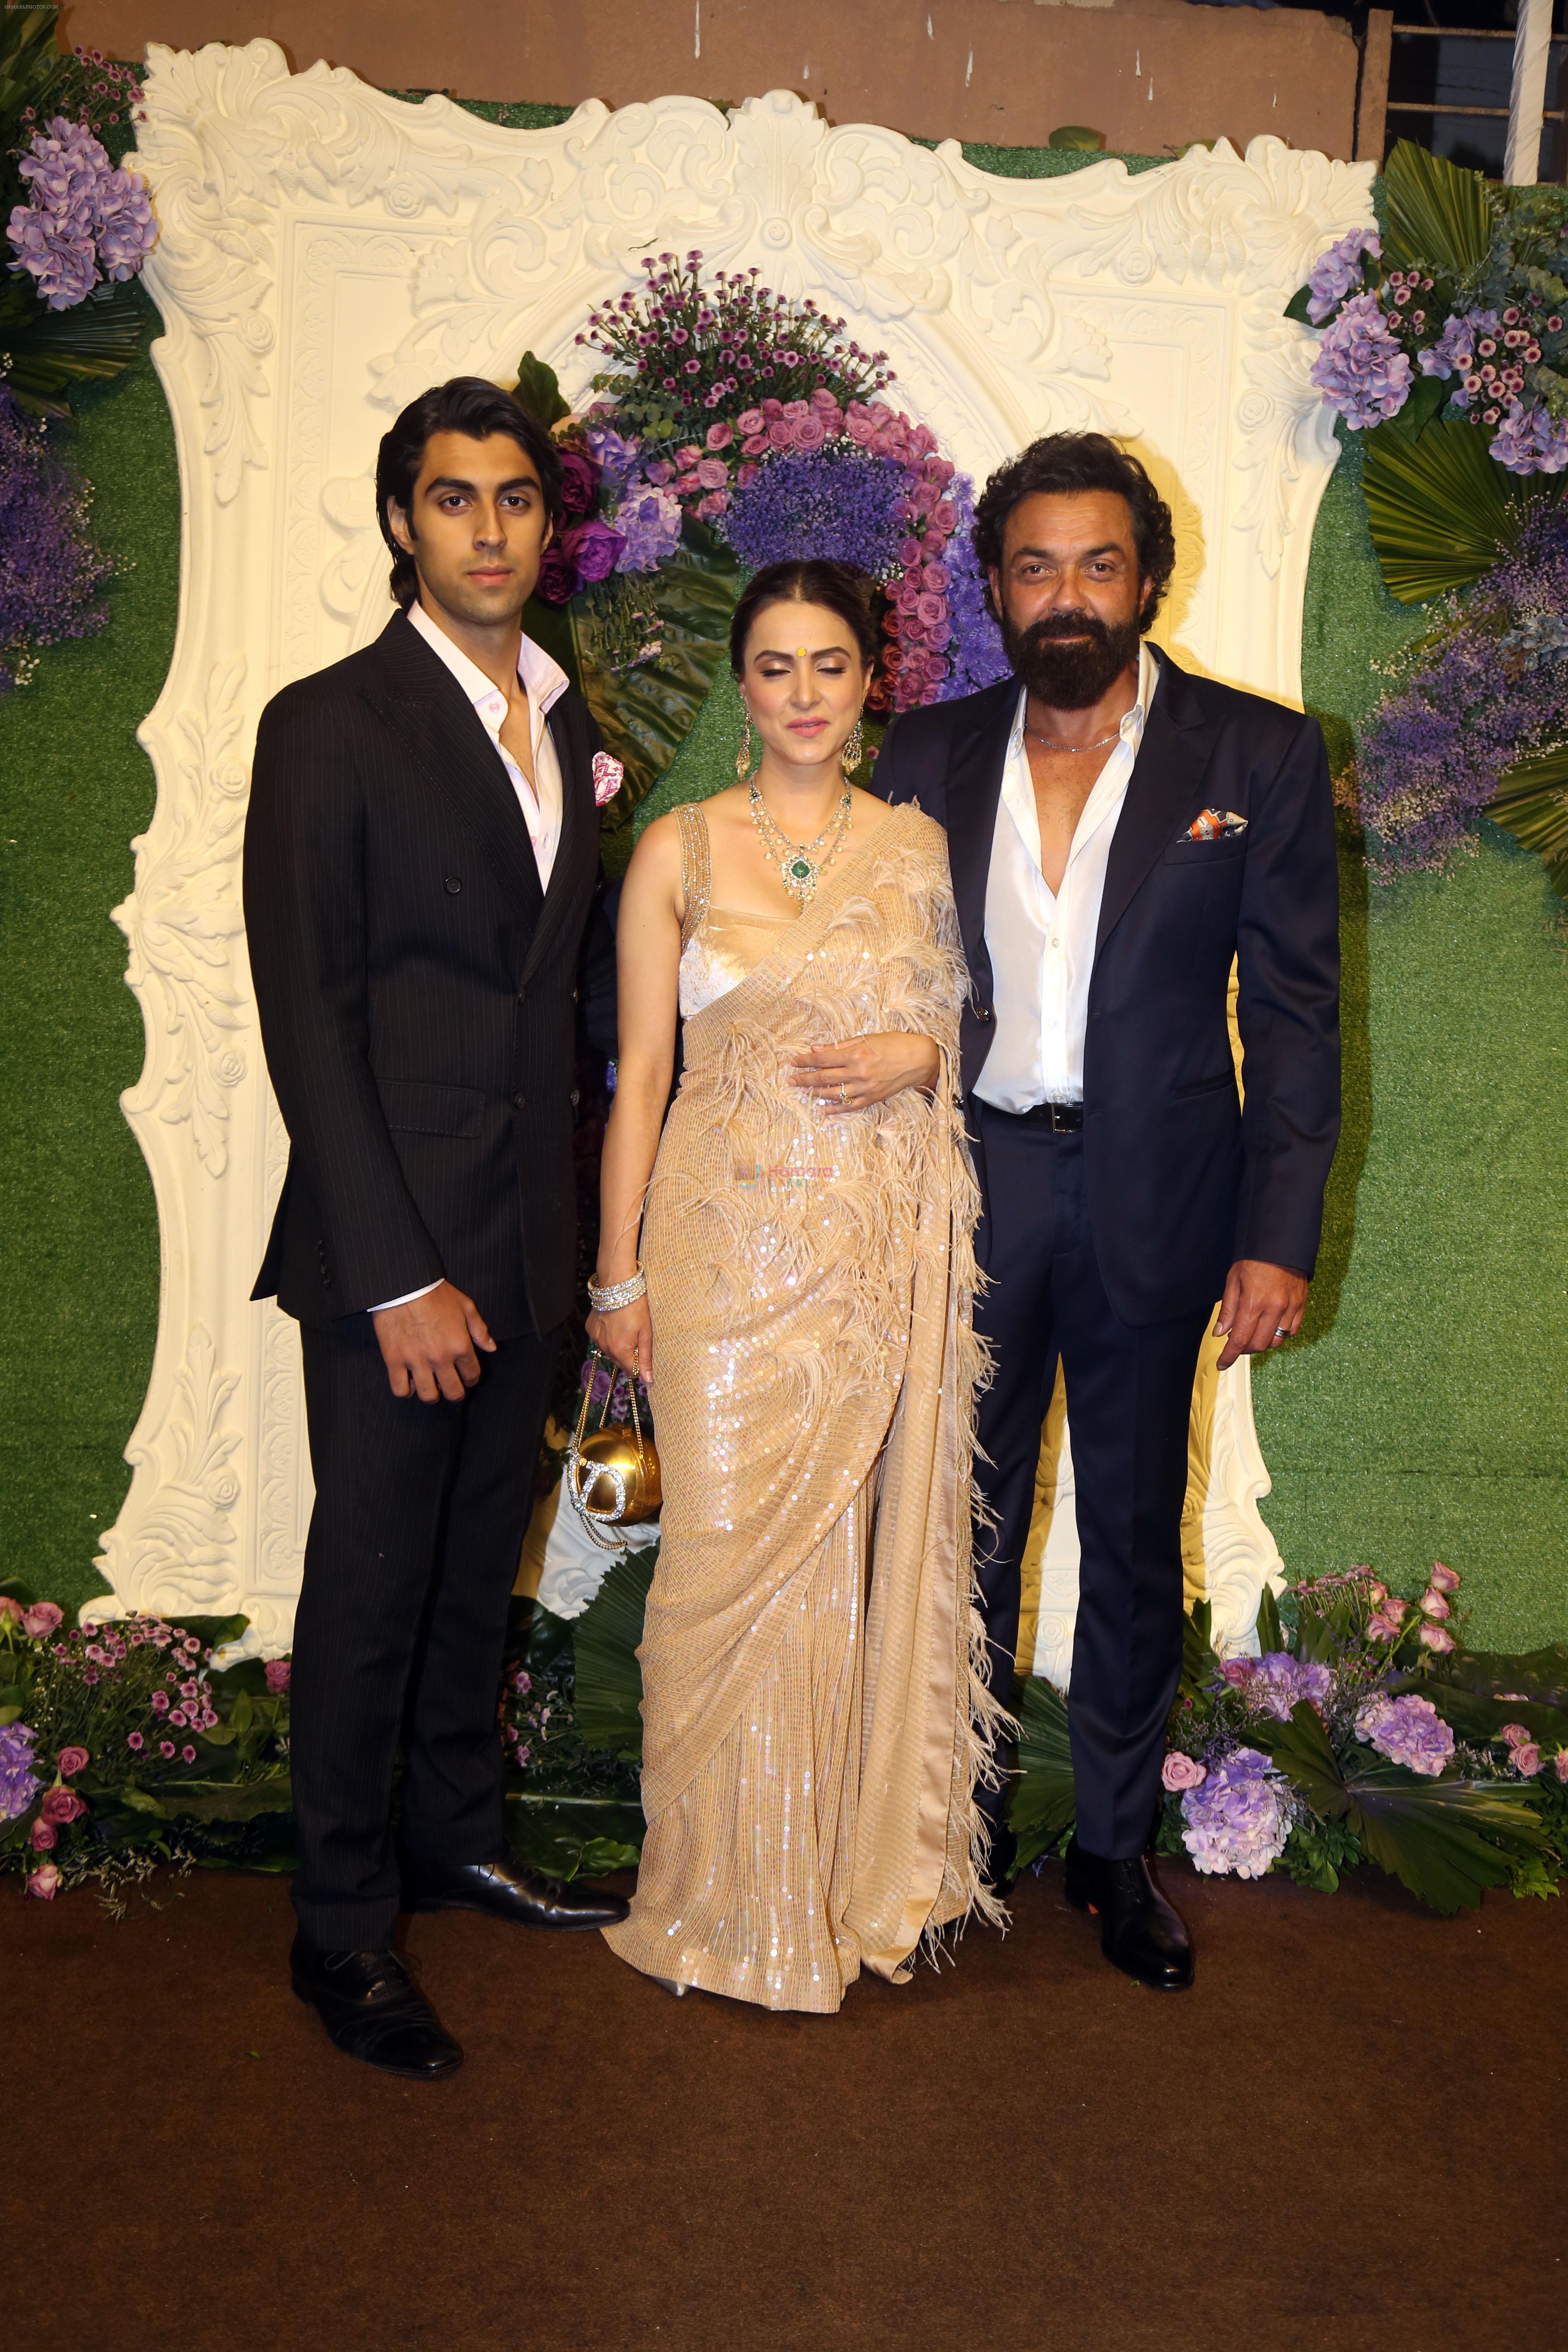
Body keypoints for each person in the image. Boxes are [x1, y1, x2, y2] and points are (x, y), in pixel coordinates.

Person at [876, 433, 1340, 1992]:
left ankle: (1115, 1852)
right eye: (1033, 566)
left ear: (1147, 577)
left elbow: (1292, 1018)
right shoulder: (919, 756)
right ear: (997, 587)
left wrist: (1278, 1232)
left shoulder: (1254, 760)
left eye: (1096, 564)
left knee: (1140, 1539)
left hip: (1162, 1199)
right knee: (964, 1529)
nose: (1065, 595)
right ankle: (957, 1835)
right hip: (974, 1189)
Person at [243, 375, 628, 2083]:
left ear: (550, 524)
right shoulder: (328, 723)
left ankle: (455, 1841)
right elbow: (309, 1017)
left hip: (532, 1246)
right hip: (394, 1256)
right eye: (455, 499)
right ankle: (339, 1932)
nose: (491, 528)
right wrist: (399, 1273)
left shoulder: (564, 715)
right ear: (402, 519)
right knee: (376, 1587)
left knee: (481, 1572)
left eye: (518, 500)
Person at [587, 559, 1004, 2012]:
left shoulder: (915, 848)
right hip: (713, 1252)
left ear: (869, 678)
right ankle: (707, 1901)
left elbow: (958, 1037)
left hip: (859, 1258)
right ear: (741, 681)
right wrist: (614, 1275)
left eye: (832, 665)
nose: (807, 695)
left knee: (836, 1565)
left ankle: (817, 1897)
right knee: (714, 1575)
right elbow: (642, 1077)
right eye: (777, 667)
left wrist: (923, 1058)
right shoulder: (679, 851)